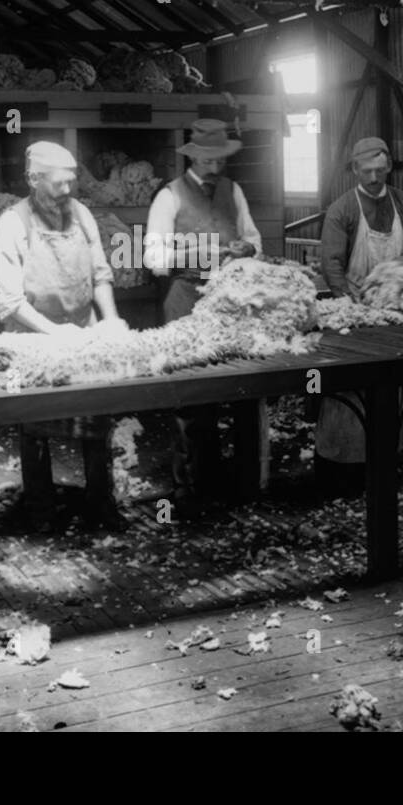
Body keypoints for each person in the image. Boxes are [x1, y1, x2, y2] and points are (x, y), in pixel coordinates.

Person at [0, 141, 128, 531]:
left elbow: (100, 274)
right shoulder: (12, 224)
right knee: (35, 423)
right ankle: (41, 510)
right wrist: (54, 333)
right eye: (58, 183)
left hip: (81, 335)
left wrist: (111, 319)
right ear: (34, 180)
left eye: (71, 181)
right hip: (32, 338)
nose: (68, 189)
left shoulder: (82, 215)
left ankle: (101, 504)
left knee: (96, 419)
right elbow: (10, 300)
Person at [144, 119, 262, 518]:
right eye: (209, 160)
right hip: (186, 301)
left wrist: (246, 248)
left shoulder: (234, 191)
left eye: (220, 160)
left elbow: (255, 239)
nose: (216, 167)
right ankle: (192, 490)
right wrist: (198, 253)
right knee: (192, 400)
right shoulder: (170, 197)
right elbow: (154, 259)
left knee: (243, 392)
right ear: (194, 156)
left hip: (231, 301)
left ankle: (243, 487)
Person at [315, 137, 403, 493]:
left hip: (394, 309)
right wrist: (346, 303)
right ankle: (340, 466)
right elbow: (331, 262)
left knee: (393, 384)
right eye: (367, 172)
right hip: (355, 310)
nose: (374, 178)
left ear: (389, 168)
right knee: (349, 389)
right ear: (355, 170)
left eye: (380, 171)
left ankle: (387, 460)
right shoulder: (342, 210)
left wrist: (400, 264)